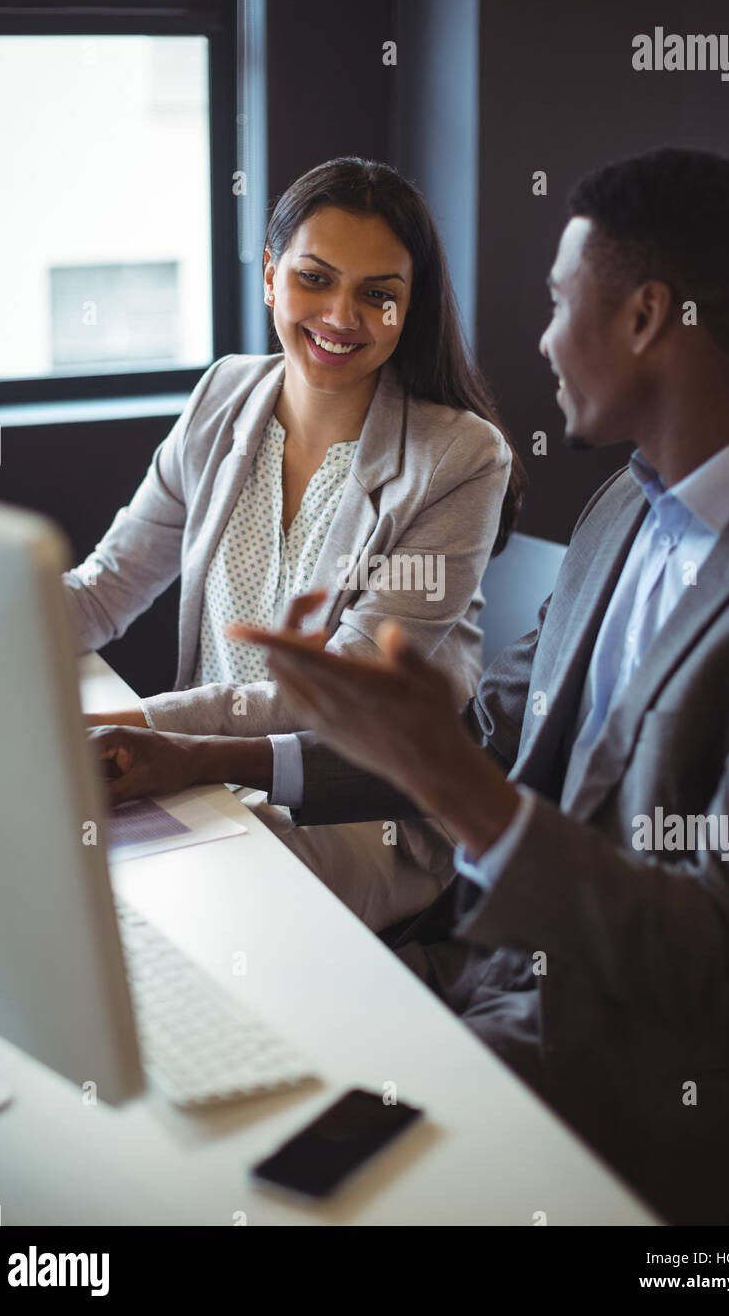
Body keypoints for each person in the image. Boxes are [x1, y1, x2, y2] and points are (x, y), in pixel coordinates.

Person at [91, 147, 729, 1225]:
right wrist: (198, 758)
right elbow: (485, 736)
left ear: (643, 317)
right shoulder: (627, 505)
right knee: (191, 1085)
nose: (538, 340)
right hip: (502, 973)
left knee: (268, 1182)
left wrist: (454, 788)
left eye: (557, 303)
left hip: (661, 1075)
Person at [67, 157, 522, 931]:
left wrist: (146, 725)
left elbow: (338, 692)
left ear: (407, 310)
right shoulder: (223, 396)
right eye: (316, 278)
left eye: (378, 294)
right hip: (202, 770)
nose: (342, 316)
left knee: (189, 912)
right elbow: (108, 585)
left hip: (356, 803)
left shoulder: (460, 456)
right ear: (273, 275)